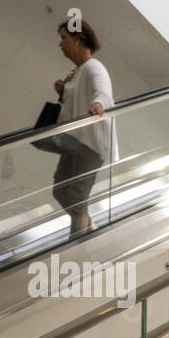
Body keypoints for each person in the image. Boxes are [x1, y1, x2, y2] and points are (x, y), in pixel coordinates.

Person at [50, 20, 114, 236]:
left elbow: (103, 92)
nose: (60, 44)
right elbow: (75, 102)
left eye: (64, 38)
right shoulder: (78, 71)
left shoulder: (94, 67)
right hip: (76, 142)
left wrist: (98, 105)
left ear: (77, 40)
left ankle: (78, 250)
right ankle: (88, 228)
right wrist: (63, 92)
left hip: (91, 144)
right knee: (60, 190)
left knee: (77, 199)